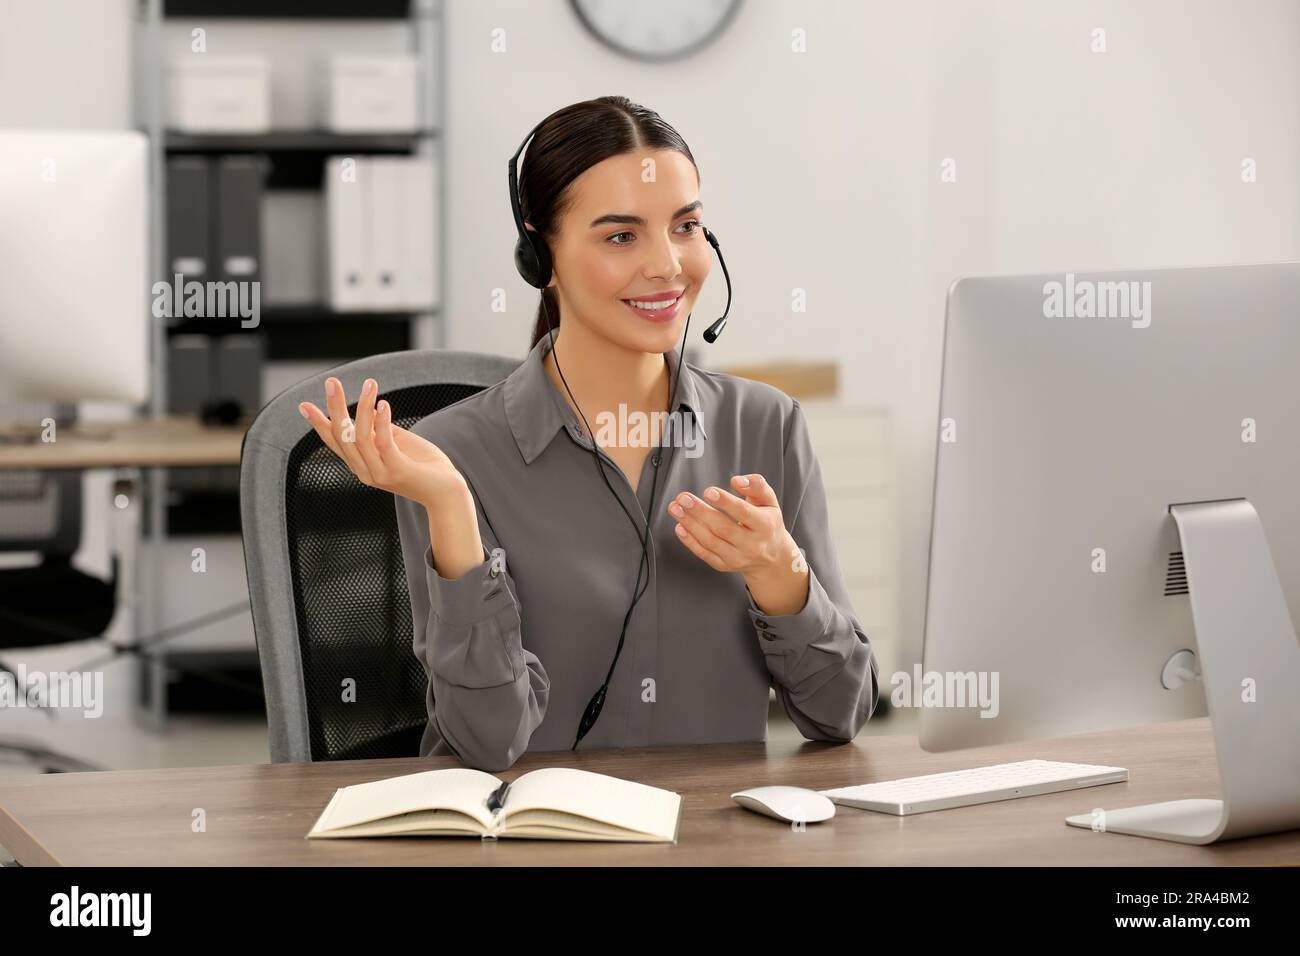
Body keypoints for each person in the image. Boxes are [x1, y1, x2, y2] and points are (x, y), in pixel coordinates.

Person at [298, 95, 879, 771]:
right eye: (621, 236)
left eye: (686, 227)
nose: (667, 265)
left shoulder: (766, 427)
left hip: (717, 842)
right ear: (538, 255)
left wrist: (783, 574)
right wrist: (452, 510)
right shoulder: (450, 456)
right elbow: (487, 741)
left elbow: (839, 714)